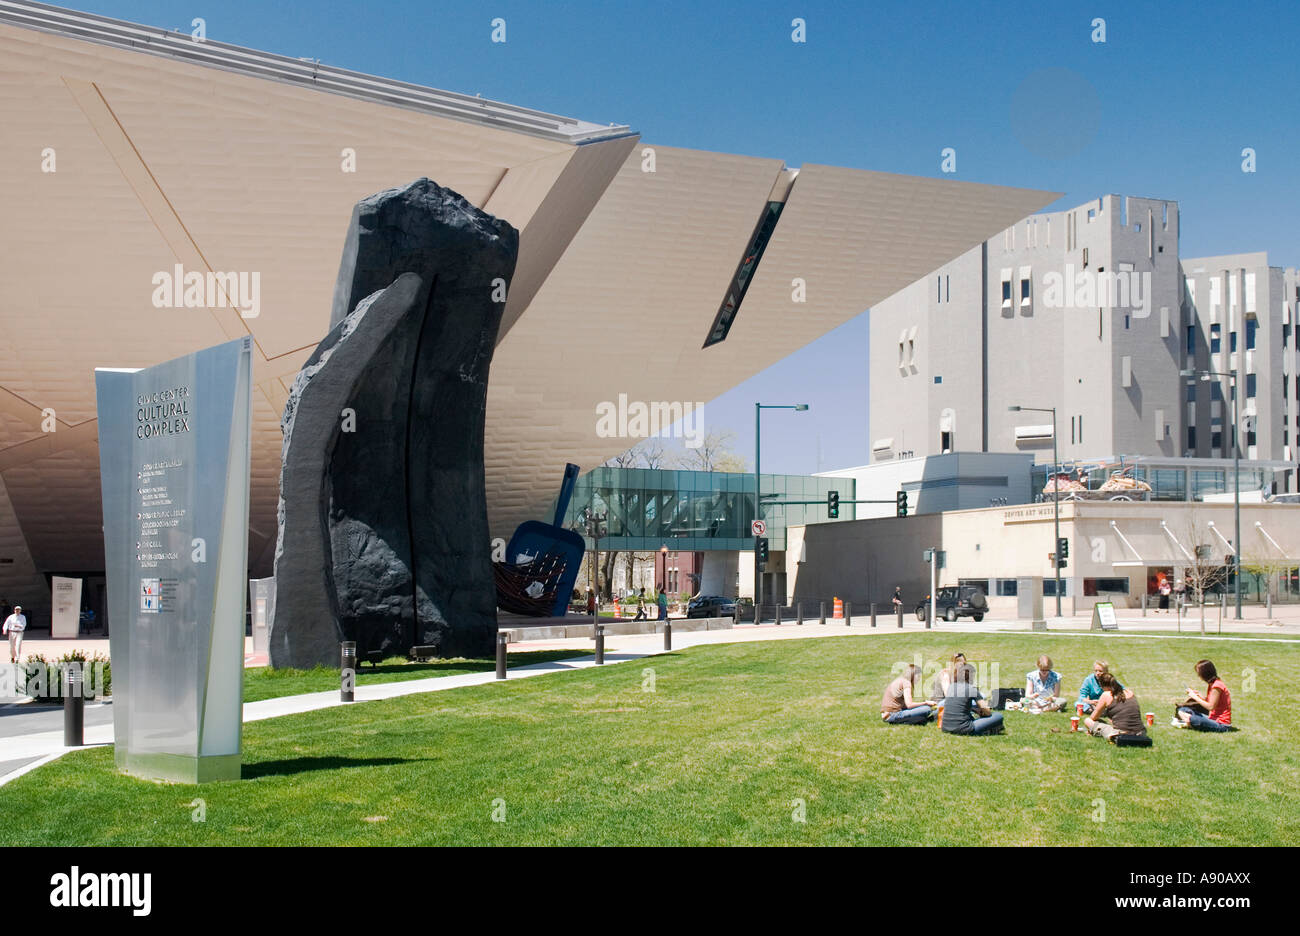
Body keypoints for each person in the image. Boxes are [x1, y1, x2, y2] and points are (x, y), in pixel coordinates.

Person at [942, 662, 1004, 735]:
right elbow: (987, 712)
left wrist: (975, 710)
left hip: (946, 727)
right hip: (964, 728)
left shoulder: (951, 687)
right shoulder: (971, 689)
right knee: (998, 716)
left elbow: (960, 706)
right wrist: (983, 712)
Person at [1084, 672, 1147, 742]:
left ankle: (1097, 732)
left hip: (1121, 734)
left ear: (1103, 686)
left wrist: (1099, 707)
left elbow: (1093, 717)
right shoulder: (1129, 692)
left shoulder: (1106, 695)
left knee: (1087, 721)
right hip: (1141, 732)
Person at [1175, 659, 1233, 731]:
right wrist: (1199, 696)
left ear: (1205, 673)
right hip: (1212, 718)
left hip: (1221, 724)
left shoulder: (1217, 686)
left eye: (1199, 673)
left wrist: (1195, 697)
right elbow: (1213, 702)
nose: (1198, 676)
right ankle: (1188, 722)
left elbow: (1210, 707)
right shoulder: (1212, 684)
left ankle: (1188, 722)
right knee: (1182, 709)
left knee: (1194, 718)